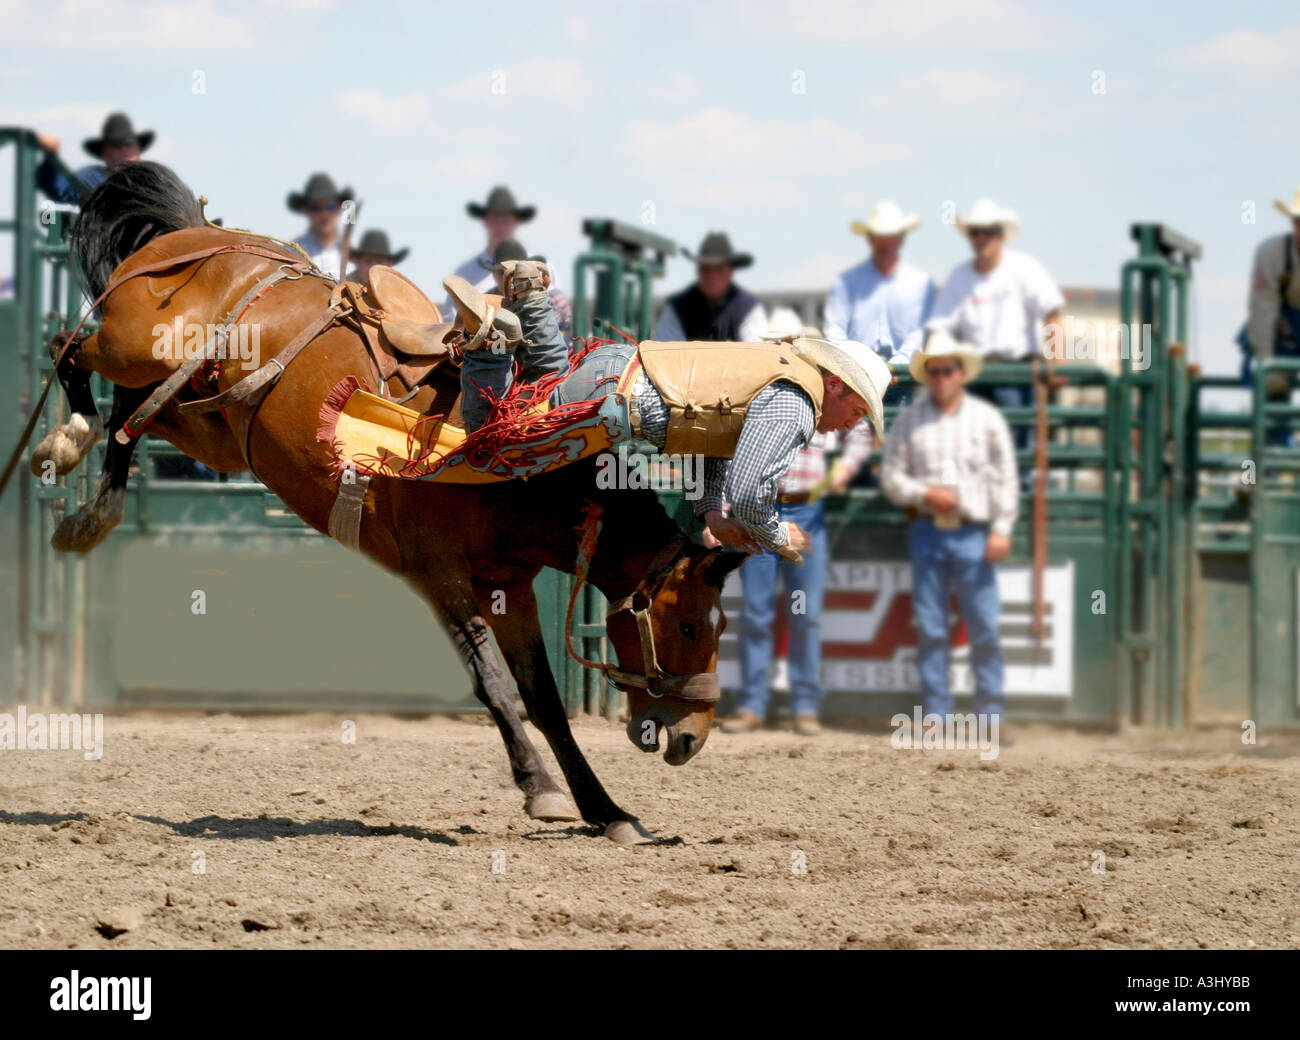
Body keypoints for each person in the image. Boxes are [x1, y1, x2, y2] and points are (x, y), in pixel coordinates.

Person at [445, 266, 892, 559]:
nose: (852, 425)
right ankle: (489, 343)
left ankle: (531, 295)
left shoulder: (781, 368)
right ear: (834, 383)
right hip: (609, 404)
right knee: (489, 445)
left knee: (550, 374)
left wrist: (712, 515)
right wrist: (778, 537)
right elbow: (753, 491)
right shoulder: (796, 404)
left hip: (615, 368)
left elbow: (713, 441)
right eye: (856, 411)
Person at [719, 309, 877, 737]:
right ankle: (756, 704)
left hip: (800, 508)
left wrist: (845, 469)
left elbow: (860, 434)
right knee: (758, 611)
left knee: (803, 611)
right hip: (765, 509)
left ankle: (802, 703)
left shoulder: (818, 393)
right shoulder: (782, 392)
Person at [881, 331, 1019, 736]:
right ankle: (936, 715)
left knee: (985, 626)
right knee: (931, 626)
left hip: (974, 532)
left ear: (961, 373)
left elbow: (1006, 478)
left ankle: (990, 714)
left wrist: (1002, 529)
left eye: (949, 369)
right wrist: (925, 493)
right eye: (935, 370)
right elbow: (891, 477)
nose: (942, 377)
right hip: (927, 530)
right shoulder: (909, 420)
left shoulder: (986, 419)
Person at [913, 200, 1063, 452]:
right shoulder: (960, 277)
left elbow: (1052, 313)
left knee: (1013, 444)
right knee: (977, 444)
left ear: (1001, 235)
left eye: (988, 231)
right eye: (975, 232)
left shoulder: (1023, 268)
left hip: (1016, 372)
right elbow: (940, 329)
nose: (981, 238)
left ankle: (1018, 485)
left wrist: (1057, 360)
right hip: (975, 373)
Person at [825, 200, 934, 377]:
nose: (885, 242)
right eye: (879, 236)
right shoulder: (846, 282)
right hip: (858, 377)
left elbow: (918, 334)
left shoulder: (920, 283)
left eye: (890, 236)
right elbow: (835, 329)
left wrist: (896, 367)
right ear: (870, 239)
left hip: (901, 378)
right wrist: (851, 364)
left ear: (901, 238)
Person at [1239, 186, 1300, 405]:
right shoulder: (1272, 253)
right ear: (1293, 223)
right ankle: (1275, 436)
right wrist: (1267, 362)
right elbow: (1263, 310)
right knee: (1273, 399)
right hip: (1281, 329)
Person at [444, 186, 536, 322]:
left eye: (506, 219)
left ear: (516, 222)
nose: (500, 225)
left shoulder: (539, 267)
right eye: (495, 218)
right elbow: (450, 325)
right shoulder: (464, 275)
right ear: (485, 221)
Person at [653, 232, 768, 342]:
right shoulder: (676, 309)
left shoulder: (748, 308)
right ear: (698, 270)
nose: (711, 276)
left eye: (719, 269)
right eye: (706, 268)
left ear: (730, 271)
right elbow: (666, 356)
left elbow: (757, 353)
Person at [35, 112, 154, 204]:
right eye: (115, 145)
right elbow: (57, 187)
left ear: (138, 148)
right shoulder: (91, 178)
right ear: (105, 152)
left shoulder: (153, 181)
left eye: (128, 143)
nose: (123, 150)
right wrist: (51, 155)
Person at [487, 239, 572, 339]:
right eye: (501, 273)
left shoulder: (552, 299)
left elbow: (544, 337)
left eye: (513, 273)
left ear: (526, 273)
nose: (507, 279)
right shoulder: (488, 300)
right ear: (494, 274)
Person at [287, 173, 354, 280]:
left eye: (330, 207)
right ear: (305, 210)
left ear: (339, 208)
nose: (324, 214)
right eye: (315, 208)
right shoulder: (291, 253)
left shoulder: (358, 252)